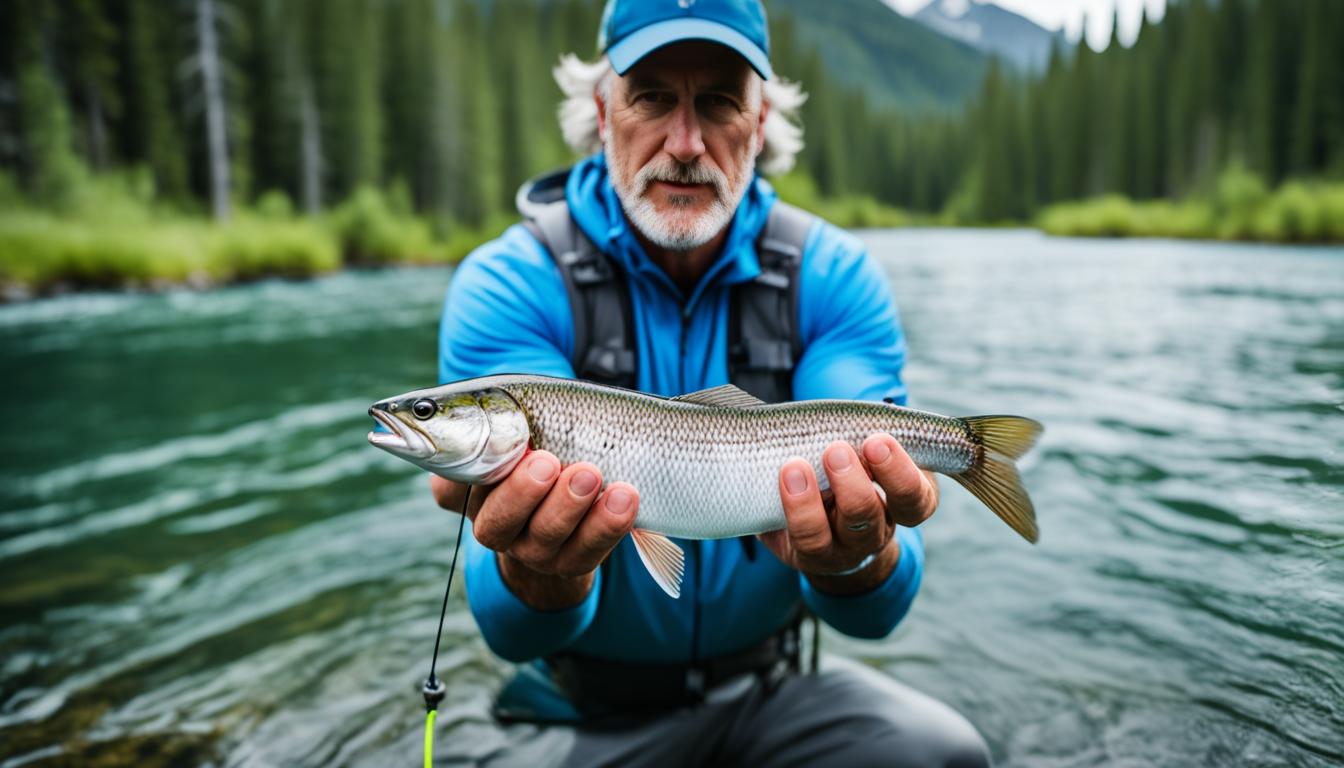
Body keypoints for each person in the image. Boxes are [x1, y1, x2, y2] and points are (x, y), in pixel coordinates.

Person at [430, 1, 992, 765]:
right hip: (582, 714)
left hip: (772, 697)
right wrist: (540, 573)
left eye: (720, 100)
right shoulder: (510, 282)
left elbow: (877, 617)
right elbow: (511, 631)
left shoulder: (834, 276)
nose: (686, 143)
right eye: (652, 97)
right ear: (603, 110)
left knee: (943, 754)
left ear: (760, 123)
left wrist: (861, 555)